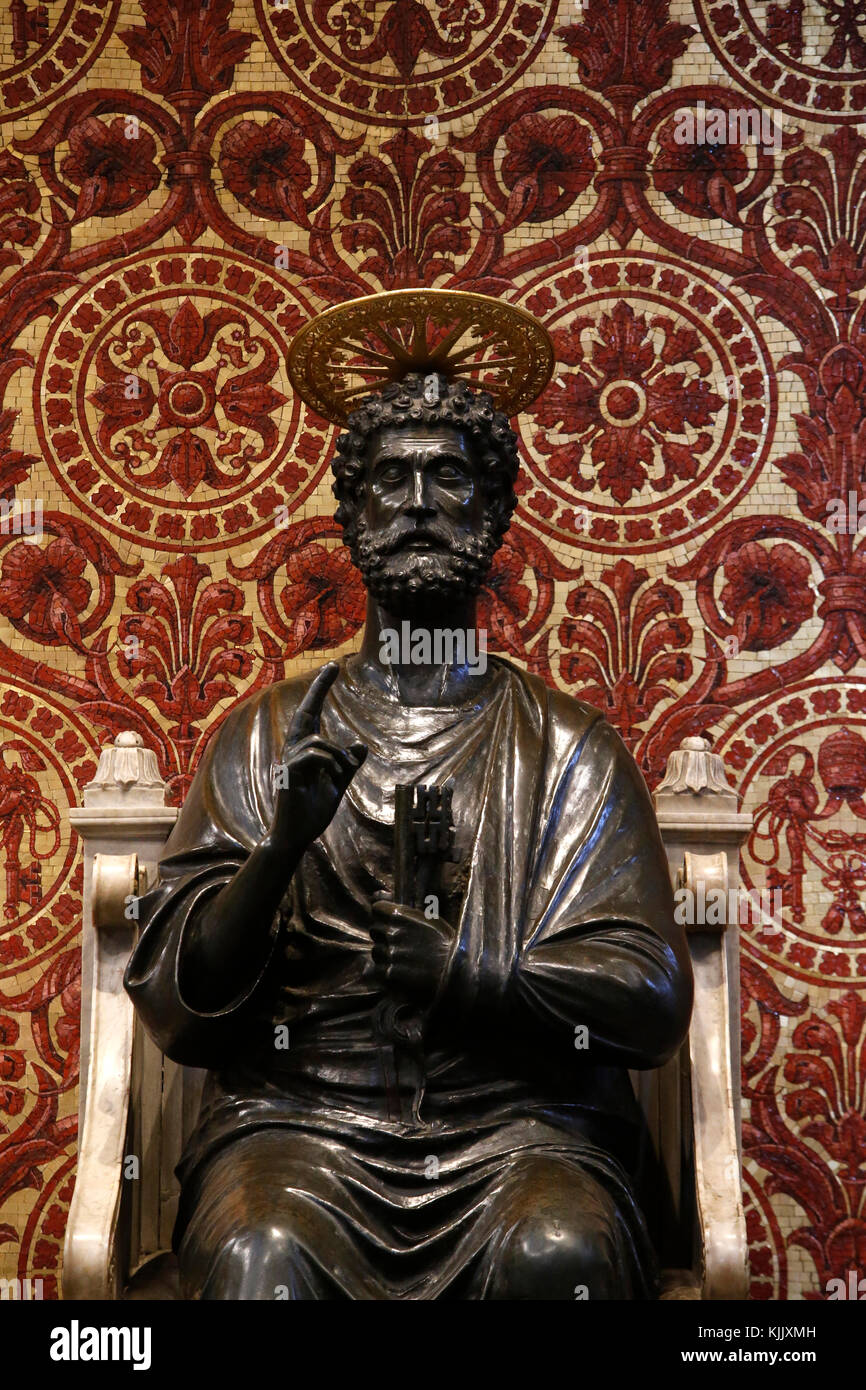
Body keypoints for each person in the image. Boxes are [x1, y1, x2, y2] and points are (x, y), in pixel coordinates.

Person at [125, 367, 693, 1300]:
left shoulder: (570, 749)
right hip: (299, 1124)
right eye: (391, 479)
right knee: (263, 1256)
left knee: (558, 1254)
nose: (420, 502)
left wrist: (474, 975)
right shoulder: (267, 737)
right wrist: (278, 852)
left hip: (526, 1130)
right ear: (351, 514)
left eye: (450, 477)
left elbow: (650, 997)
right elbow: (179, 1011)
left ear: (497, 508)